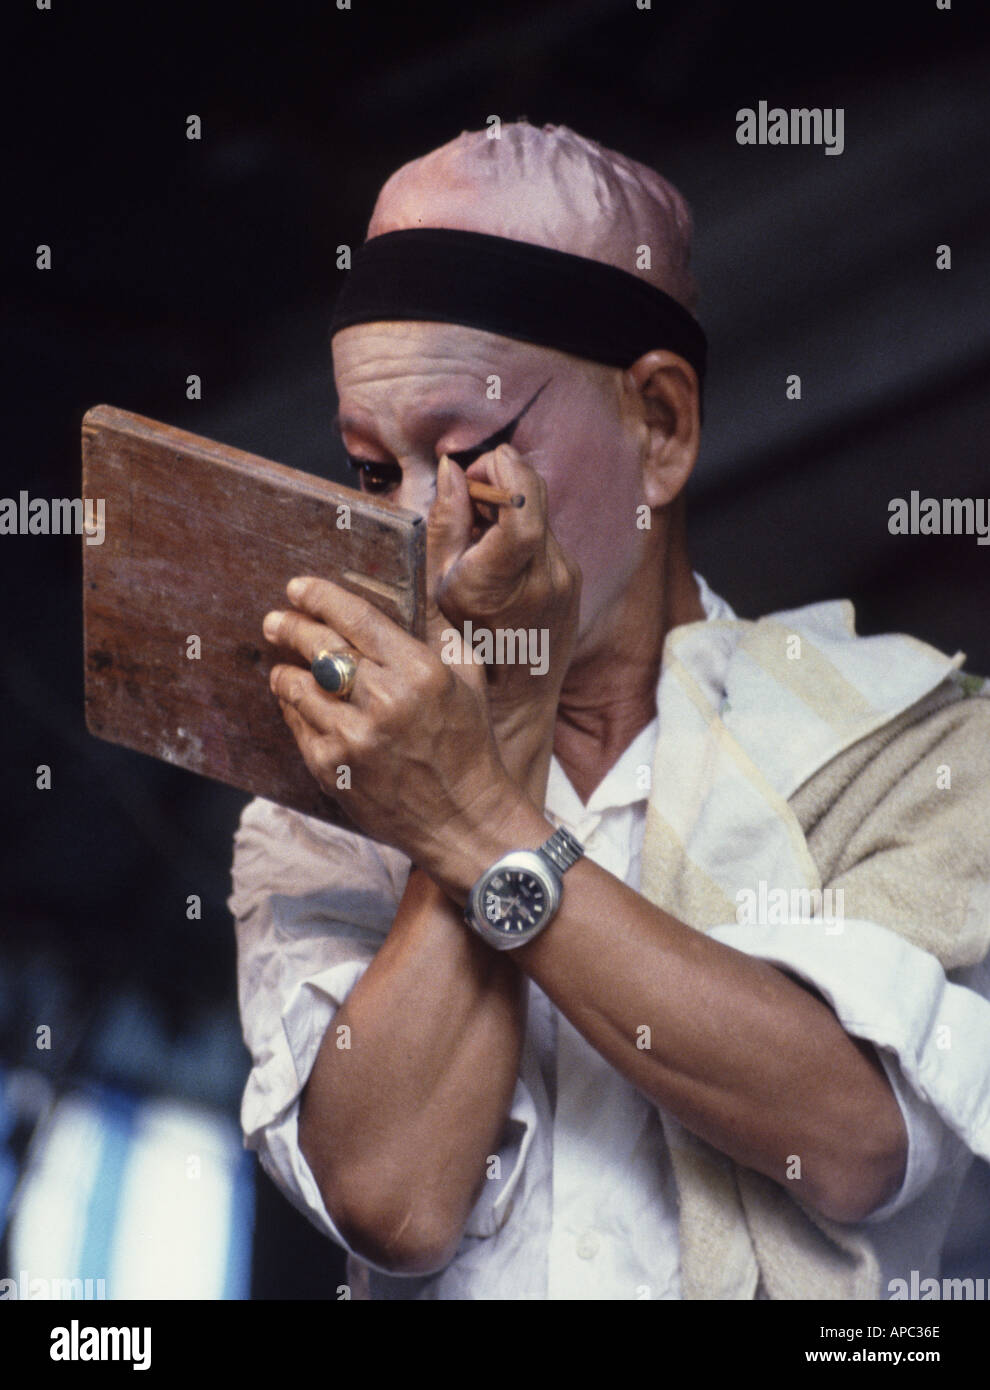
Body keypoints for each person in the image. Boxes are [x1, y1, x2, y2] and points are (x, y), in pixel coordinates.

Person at [229, 122, 990, 1300]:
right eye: (376, 471)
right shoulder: (330, 792)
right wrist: (508, 728)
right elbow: (395, 1200)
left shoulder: (906, 739)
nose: (422, 535)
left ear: (660, 425)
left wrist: (477, 818)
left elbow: (851, 1137)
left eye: (466, 451)